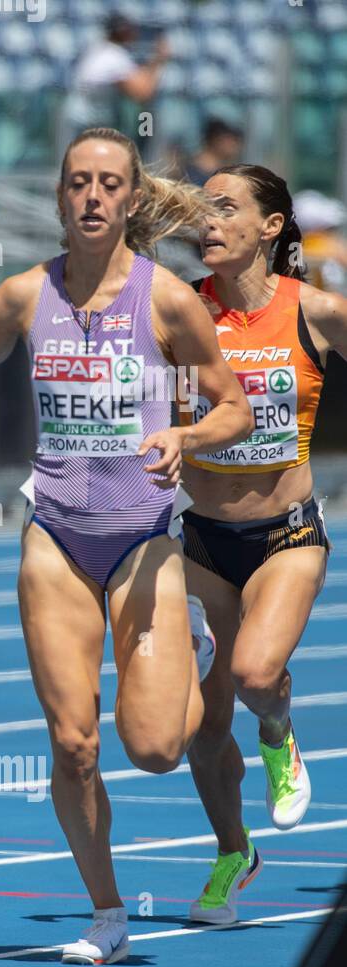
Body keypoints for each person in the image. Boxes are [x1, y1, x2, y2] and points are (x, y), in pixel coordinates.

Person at [0, 127, 252, 965]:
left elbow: (235, 410)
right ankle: (107, 912)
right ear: (61, 196)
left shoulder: (169, 299)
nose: (94, 196)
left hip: (144, 538)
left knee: (153, 748)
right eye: (79, 182)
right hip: (57, 538)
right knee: (72, 743)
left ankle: (193, 635)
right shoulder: (20, 295)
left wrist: (187, 437)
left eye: (111, 183)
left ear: (134, 199)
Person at [181, 164, 347, 924]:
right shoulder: (179, 312)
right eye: (202, 210)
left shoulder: (314, 311)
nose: (208, 222)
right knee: (199, 727)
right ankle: (231, 849)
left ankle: (279, 732)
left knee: (253, 674)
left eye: (227, 209)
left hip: (286, 533)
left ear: (271, 226)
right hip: (201, 540)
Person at [59, 14, 170, 150]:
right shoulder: (114, 55)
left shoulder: (99, 49)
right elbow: (143, 93)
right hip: (86, 123)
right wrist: (159, 60)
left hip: (80, 119)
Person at [183, 119, 245, 189]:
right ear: (216, 139)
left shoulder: (226, 172)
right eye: (232, 139)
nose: (235, 144)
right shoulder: (188, 174)